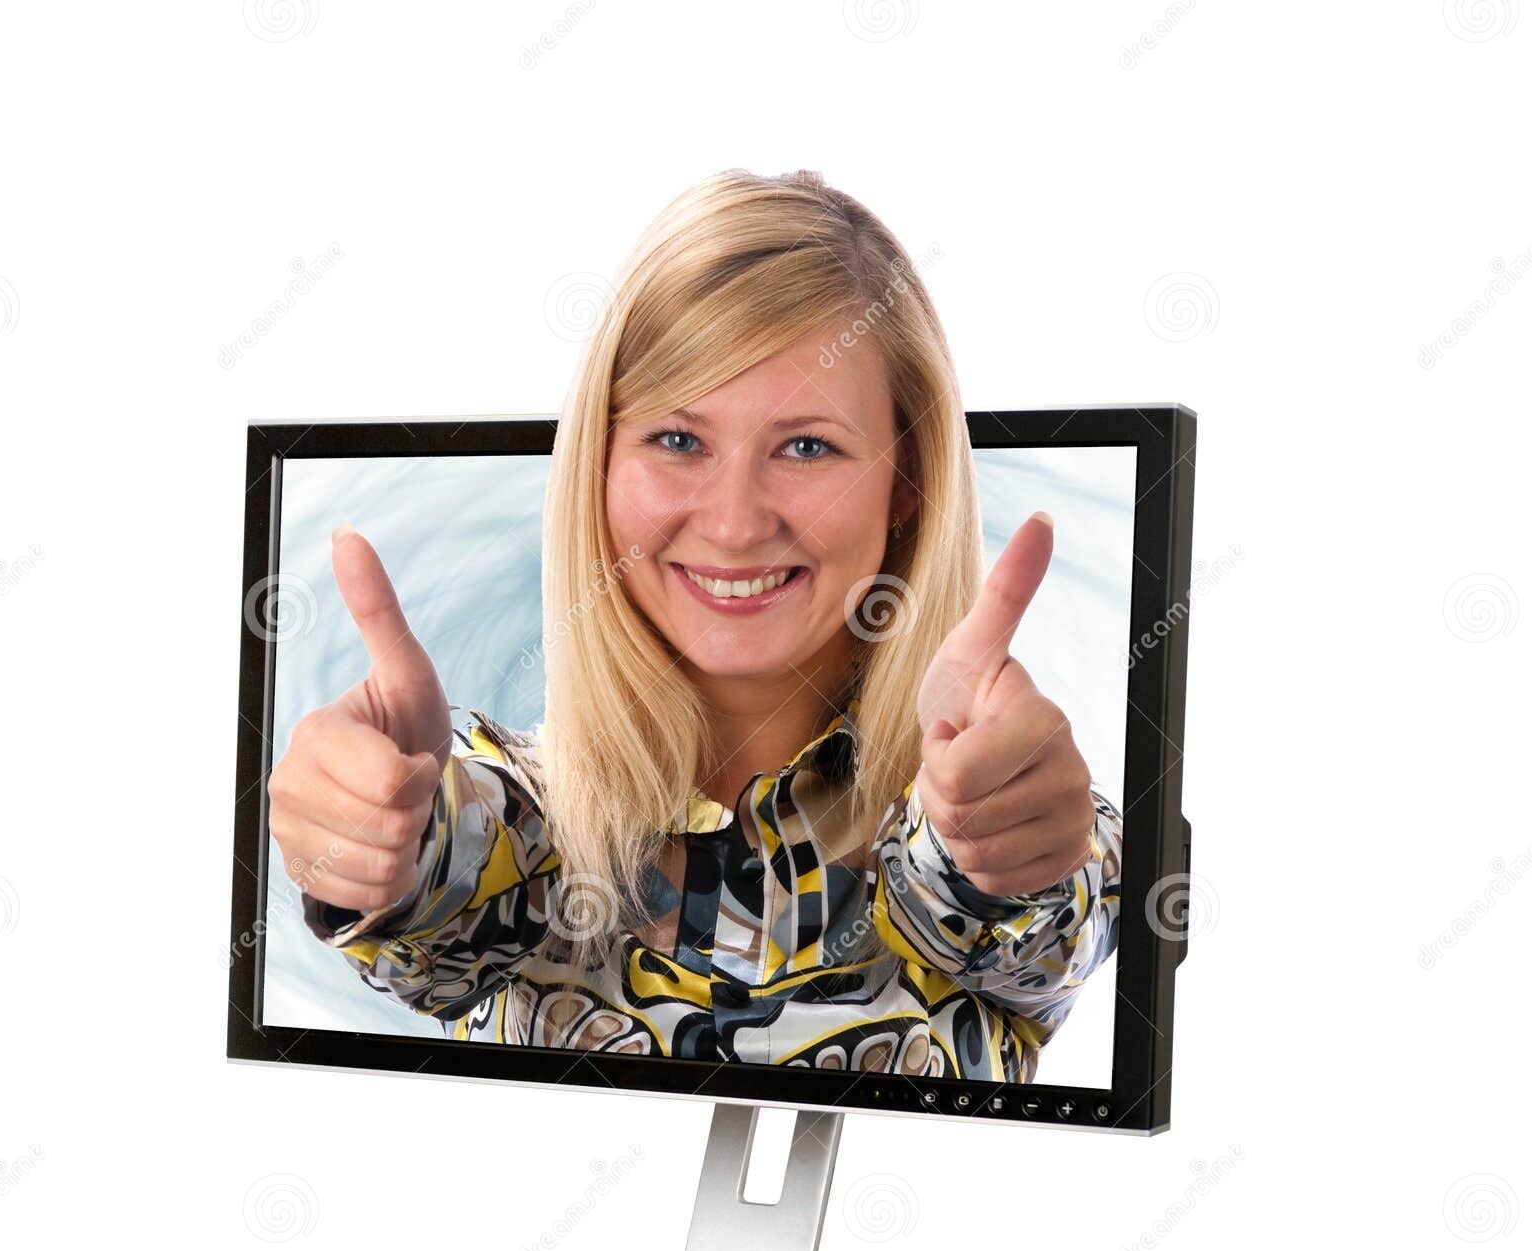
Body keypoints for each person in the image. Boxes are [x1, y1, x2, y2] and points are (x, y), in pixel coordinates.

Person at [266, 167, 1122, 1083]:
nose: (733, 522)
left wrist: (997, 851)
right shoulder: (522, 820)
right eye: (677, 440)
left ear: (907, 480)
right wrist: (377, 841)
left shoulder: (1023, 812)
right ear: (598, 462)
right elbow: (458, 892)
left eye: (807, 447)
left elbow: (1038, 917)